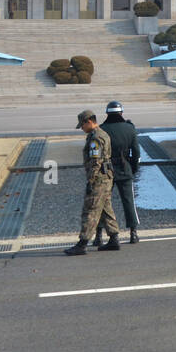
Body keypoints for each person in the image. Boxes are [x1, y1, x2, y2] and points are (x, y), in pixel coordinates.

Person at [65, 110, 120, 255]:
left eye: (82, 125)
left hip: (99, 179)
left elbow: (96, 161)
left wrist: (90, 180)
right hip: (106, 177)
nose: (82, 129)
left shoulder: (95, 138)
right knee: (105, 208)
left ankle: (82, 243)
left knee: (90, 210)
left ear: (89, 121)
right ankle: (114, 238)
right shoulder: (102, 134)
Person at [95, 100, 142, 245]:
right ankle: (133, 233)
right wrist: (133, 169)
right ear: (121, 112)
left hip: (106, 169)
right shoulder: (130, 128)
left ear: (107, 113)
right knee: (129, 201)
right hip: (124, 167)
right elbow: (136, 152)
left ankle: (99, 235)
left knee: (102, 202)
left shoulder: (101, 129)